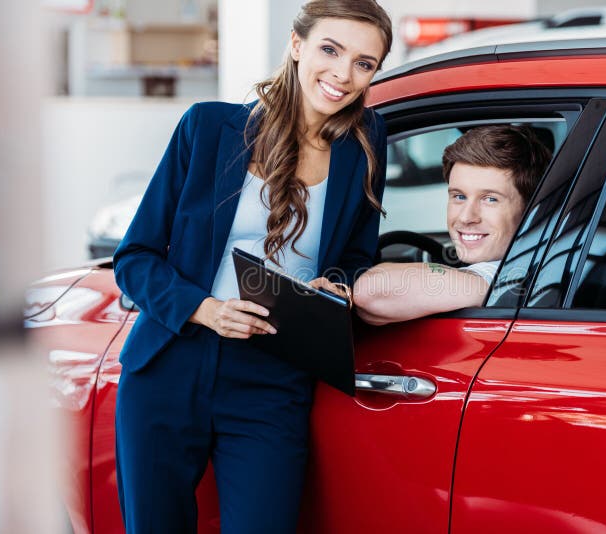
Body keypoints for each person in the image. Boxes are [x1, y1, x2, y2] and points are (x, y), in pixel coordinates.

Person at [112, 1, 392, 532]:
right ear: (296, 44)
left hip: (273, 378)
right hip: (170, 365)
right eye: (330, 50)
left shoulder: (365, 144)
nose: (342, 74)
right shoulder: (209, 126)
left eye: (364, 63)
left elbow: (356, 258)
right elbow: (134, 258)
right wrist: (205, 309)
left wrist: (335, 286)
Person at [354, 124, 551, 325]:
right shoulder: (541, 262)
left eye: (490, 199)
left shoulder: (497, 281)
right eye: (459, 196)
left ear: (531, 210)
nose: (466, 217)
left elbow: (369, 293)